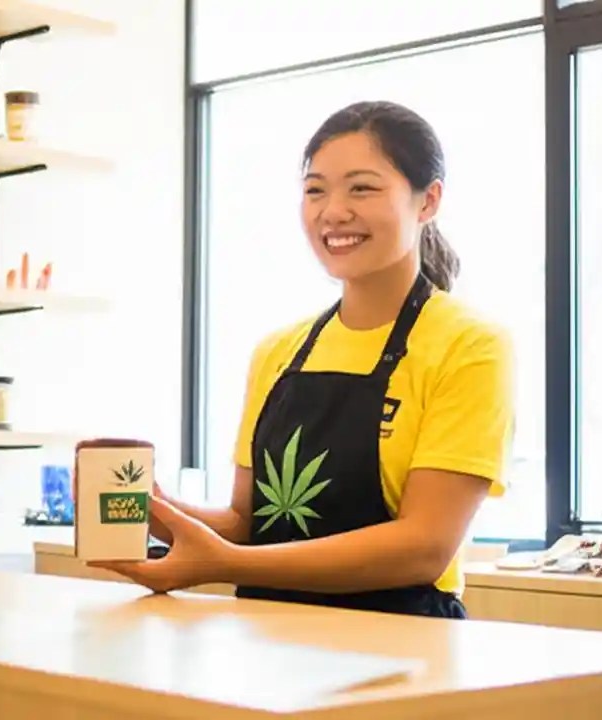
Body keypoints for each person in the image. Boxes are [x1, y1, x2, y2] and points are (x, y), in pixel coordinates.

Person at [94, 100, 514, 619]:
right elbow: (248, 524)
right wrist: (146, 505)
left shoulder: (469, 345)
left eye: (362, 188)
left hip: (403, 639)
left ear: (428, 201)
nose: (333, 211)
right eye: (315, 190)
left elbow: (423, 547)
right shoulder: (279, 352)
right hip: (269, 636)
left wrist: (226, 564)